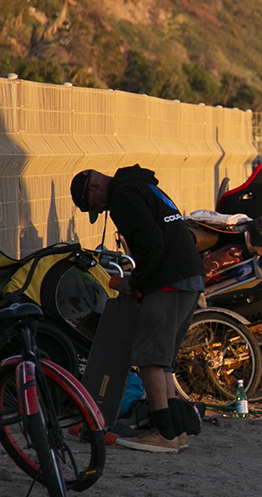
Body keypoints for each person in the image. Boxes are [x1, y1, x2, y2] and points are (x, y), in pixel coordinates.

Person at [72, 165, 204, 454]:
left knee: (149, 358)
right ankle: (174, 430)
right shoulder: (143, 186)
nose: (101, 211)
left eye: (94, 207)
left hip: (168, 281)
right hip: (190, 276)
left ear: (94, 187)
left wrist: (135, 283)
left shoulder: (123, 196)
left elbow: (152, 244)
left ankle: (163, 433)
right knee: (164, 358)